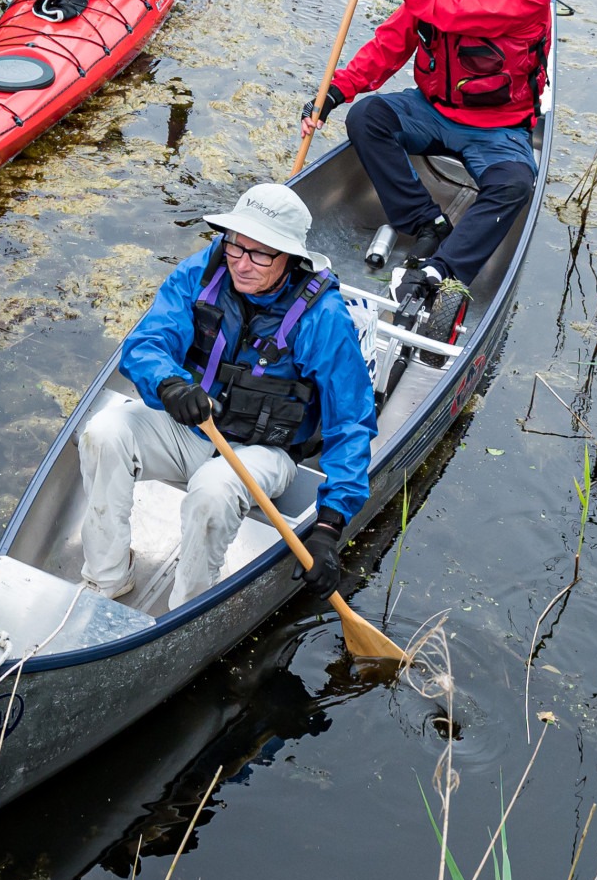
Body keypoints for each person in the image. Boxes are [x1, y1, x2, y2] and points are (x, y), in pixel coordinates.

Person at [77, 183, 377, 609]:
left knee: (213, 490)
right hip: (193, 429)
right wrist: (171, 384)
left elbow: (351, 423)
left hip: (266, 452)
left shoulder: (324, 319)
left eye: (260, 254)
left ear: (290, 258)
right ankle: (106, 580)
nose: (242, 263)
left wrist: (329, 528)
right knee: (104, 432)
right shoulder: (203, 273)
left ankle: (187, 608)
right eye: (236, 246)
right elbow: (147, 343)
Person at [299, 0, 552, 345]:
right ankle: (426, 223)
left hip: (498, 125)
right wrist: (334, 93)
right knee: (367, 117)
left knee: (515, 184)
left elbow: (456, 17)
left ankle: (442, 269)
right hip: (432, 111)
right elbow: (390, 45)